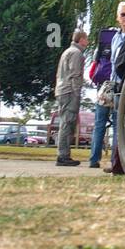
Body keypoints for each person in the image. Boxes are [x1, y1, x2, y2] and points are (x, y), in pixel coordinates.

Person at [106, 1, 125, 174]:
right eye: (123, 14)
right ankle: (116, 164)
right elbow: (113, 64)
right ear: (118, 17)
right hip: (117, 87)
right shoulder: (116, 37)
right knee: (117, 126)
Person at [54, 29, 88, 166]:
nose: (88, 41)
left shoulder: (68, 51)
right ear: (81, 39)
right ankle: (63, 156)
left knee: (64, 122)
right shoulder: (76, 53)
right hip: (69, 91)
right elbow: (75, 74)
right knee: (68, 122)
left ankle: (63, 154)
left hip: (62, 89)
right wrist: (77, 93)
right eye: (86, 38)